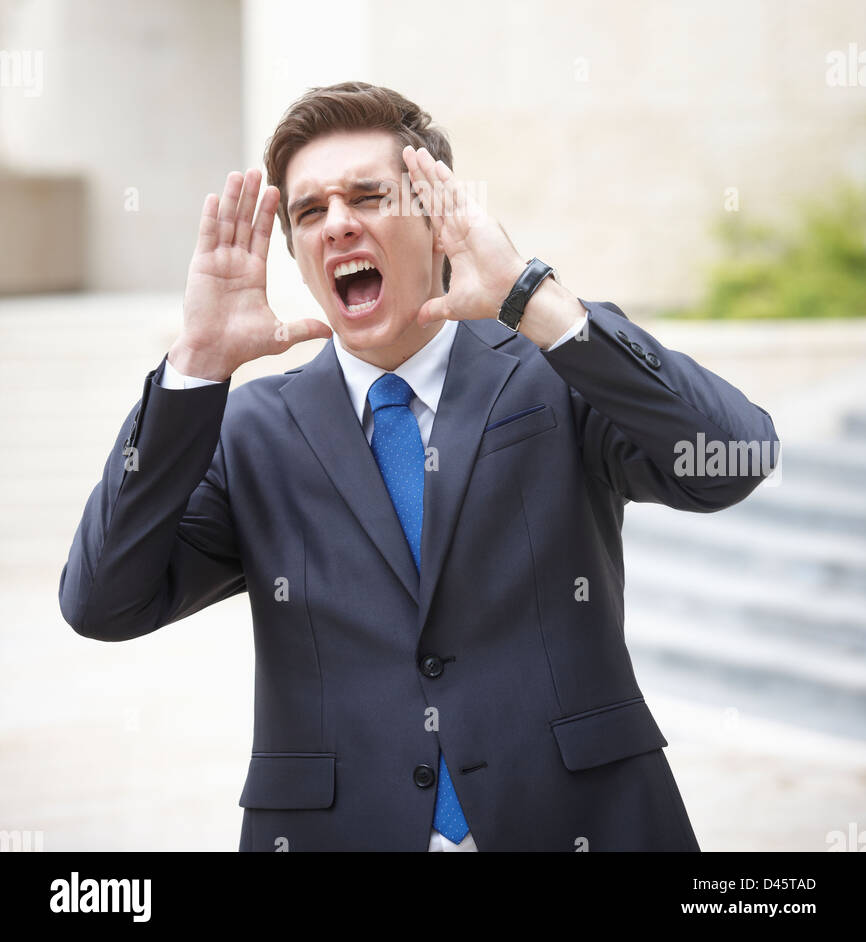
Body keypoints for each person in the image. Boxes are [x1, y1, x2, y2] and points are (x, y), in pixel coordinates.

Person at [59, 81, 779, 852]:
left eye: (368, 197)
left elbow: (735, 458)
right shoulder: (250, 431)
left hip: (580, 823)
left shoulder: (554, 369)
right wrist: (196, 363)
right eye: (308, 212)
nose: (337, 224)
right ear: (297, 255)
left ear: (437, 222)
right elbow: (103, 602)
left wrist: (531, 298)